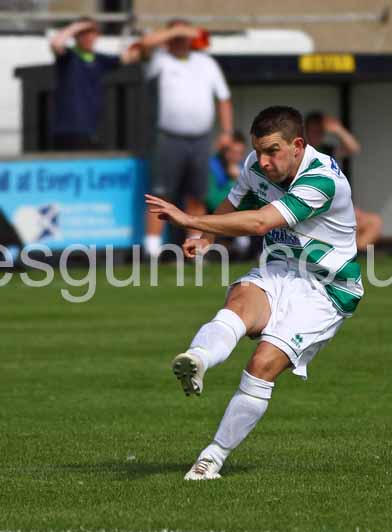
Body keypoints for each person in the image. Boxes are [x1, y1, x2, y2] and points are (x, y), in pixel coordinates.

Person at [145, 106, 363, 480]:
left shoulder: (322, 180)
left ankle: (212, 458)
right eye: (258, 151)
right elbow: (235, 202)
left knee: (262, 364)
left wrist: (191, 221)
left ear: (297, 145)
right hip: (279, 268)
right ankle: (197, 360)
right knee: (238, 304)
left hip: (326, 289)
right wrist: (207, 236)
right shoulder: (256, 164)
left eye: (272, 152)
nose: (262, 161)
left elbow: (262, 221)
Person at [139, 20, 233, 259]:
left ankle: (195, 248)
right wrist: (175, 30)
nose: (181, 39)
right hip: (169, 137)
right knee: (161, 195)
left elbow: (223, 98)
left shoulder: (206, 63)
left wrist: (226, 132)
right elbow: (145, 45)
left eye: (185, 35)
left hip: (200, 139)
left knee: (196, 195)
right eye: (176, 35)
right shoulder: (160, 60)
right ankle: (152, 249)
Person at [48, 17, 139, 150]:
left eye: (92, 33)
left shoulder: (100, 59)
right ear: (76, 36)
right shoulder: (69, 56)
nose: (88, 37)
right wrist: (76, 26)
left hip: (91, 128)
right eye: (84, 34)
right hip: (67, 129)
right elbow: (55, 44)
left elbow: (130, 57)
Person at [304, 112, 381, 252]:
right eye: (313, 130)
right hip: (313, 209)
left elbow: (354, 148)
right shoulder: (301, 151)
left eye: (320, 131)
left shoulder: (327, 150)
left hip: (336, 206)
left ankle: (355, 253)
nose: (317, 134)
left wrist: (338, 130)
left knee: (373, 221)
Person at [207, 133, 254, 259]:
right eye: (232, 152)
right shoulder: (211, 167)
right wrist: (233, 182)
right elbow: (212, 200)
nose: (236, 156)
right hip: (215, 217)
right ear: (224, 151)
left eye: (240, 153)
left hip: (239, 219)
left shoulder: (245, 168)